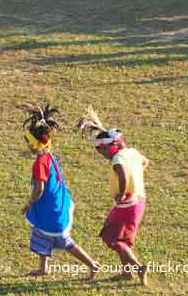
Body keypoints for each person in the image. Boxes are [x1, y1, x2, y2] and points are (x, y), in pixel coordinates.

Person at [20, 103, 98, 279]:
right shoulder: (48, 155)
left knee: (63, 240)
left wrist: (29, 204)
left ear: (33, 144)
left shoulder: (40, 163)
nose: (26, 146)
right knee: (40, 234)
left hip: (51, 209)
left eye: (27, 142)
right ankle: (43, 268)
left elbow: (39, 188)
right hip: (56, 202)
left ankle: (92, 265)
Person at [78, 107, 150, 287]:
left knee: (112, 238)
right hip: (140, 200)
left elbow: (123, 174)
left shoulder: (118, 159)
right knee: (123, 239)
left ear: (110, 147)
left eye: (101, 151)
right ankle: (127, 274)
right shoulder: (132, 152)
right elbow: (145, 161)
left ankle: (139, 268)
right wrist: (137, 177)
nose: (101, 155)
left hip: (127, 202)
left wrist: (121, 193)